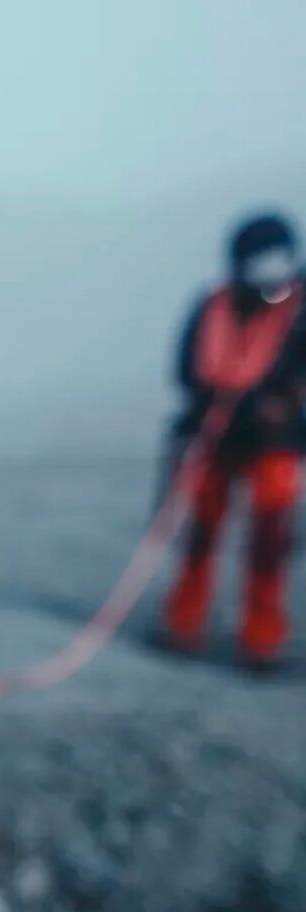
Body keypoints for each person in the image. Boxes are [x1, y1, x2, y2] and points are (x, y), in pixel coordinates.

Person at [163, 213, 305, 670]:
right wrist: (218, 401)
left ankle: (262, 641)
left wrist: (281, 404)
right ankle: (182, 627)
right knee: (200, 535)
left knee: (269, 542)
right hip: (216, 438)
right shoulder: (213, 305)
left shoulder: (300, 313)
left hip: (276, 444)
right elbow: (186, 369)